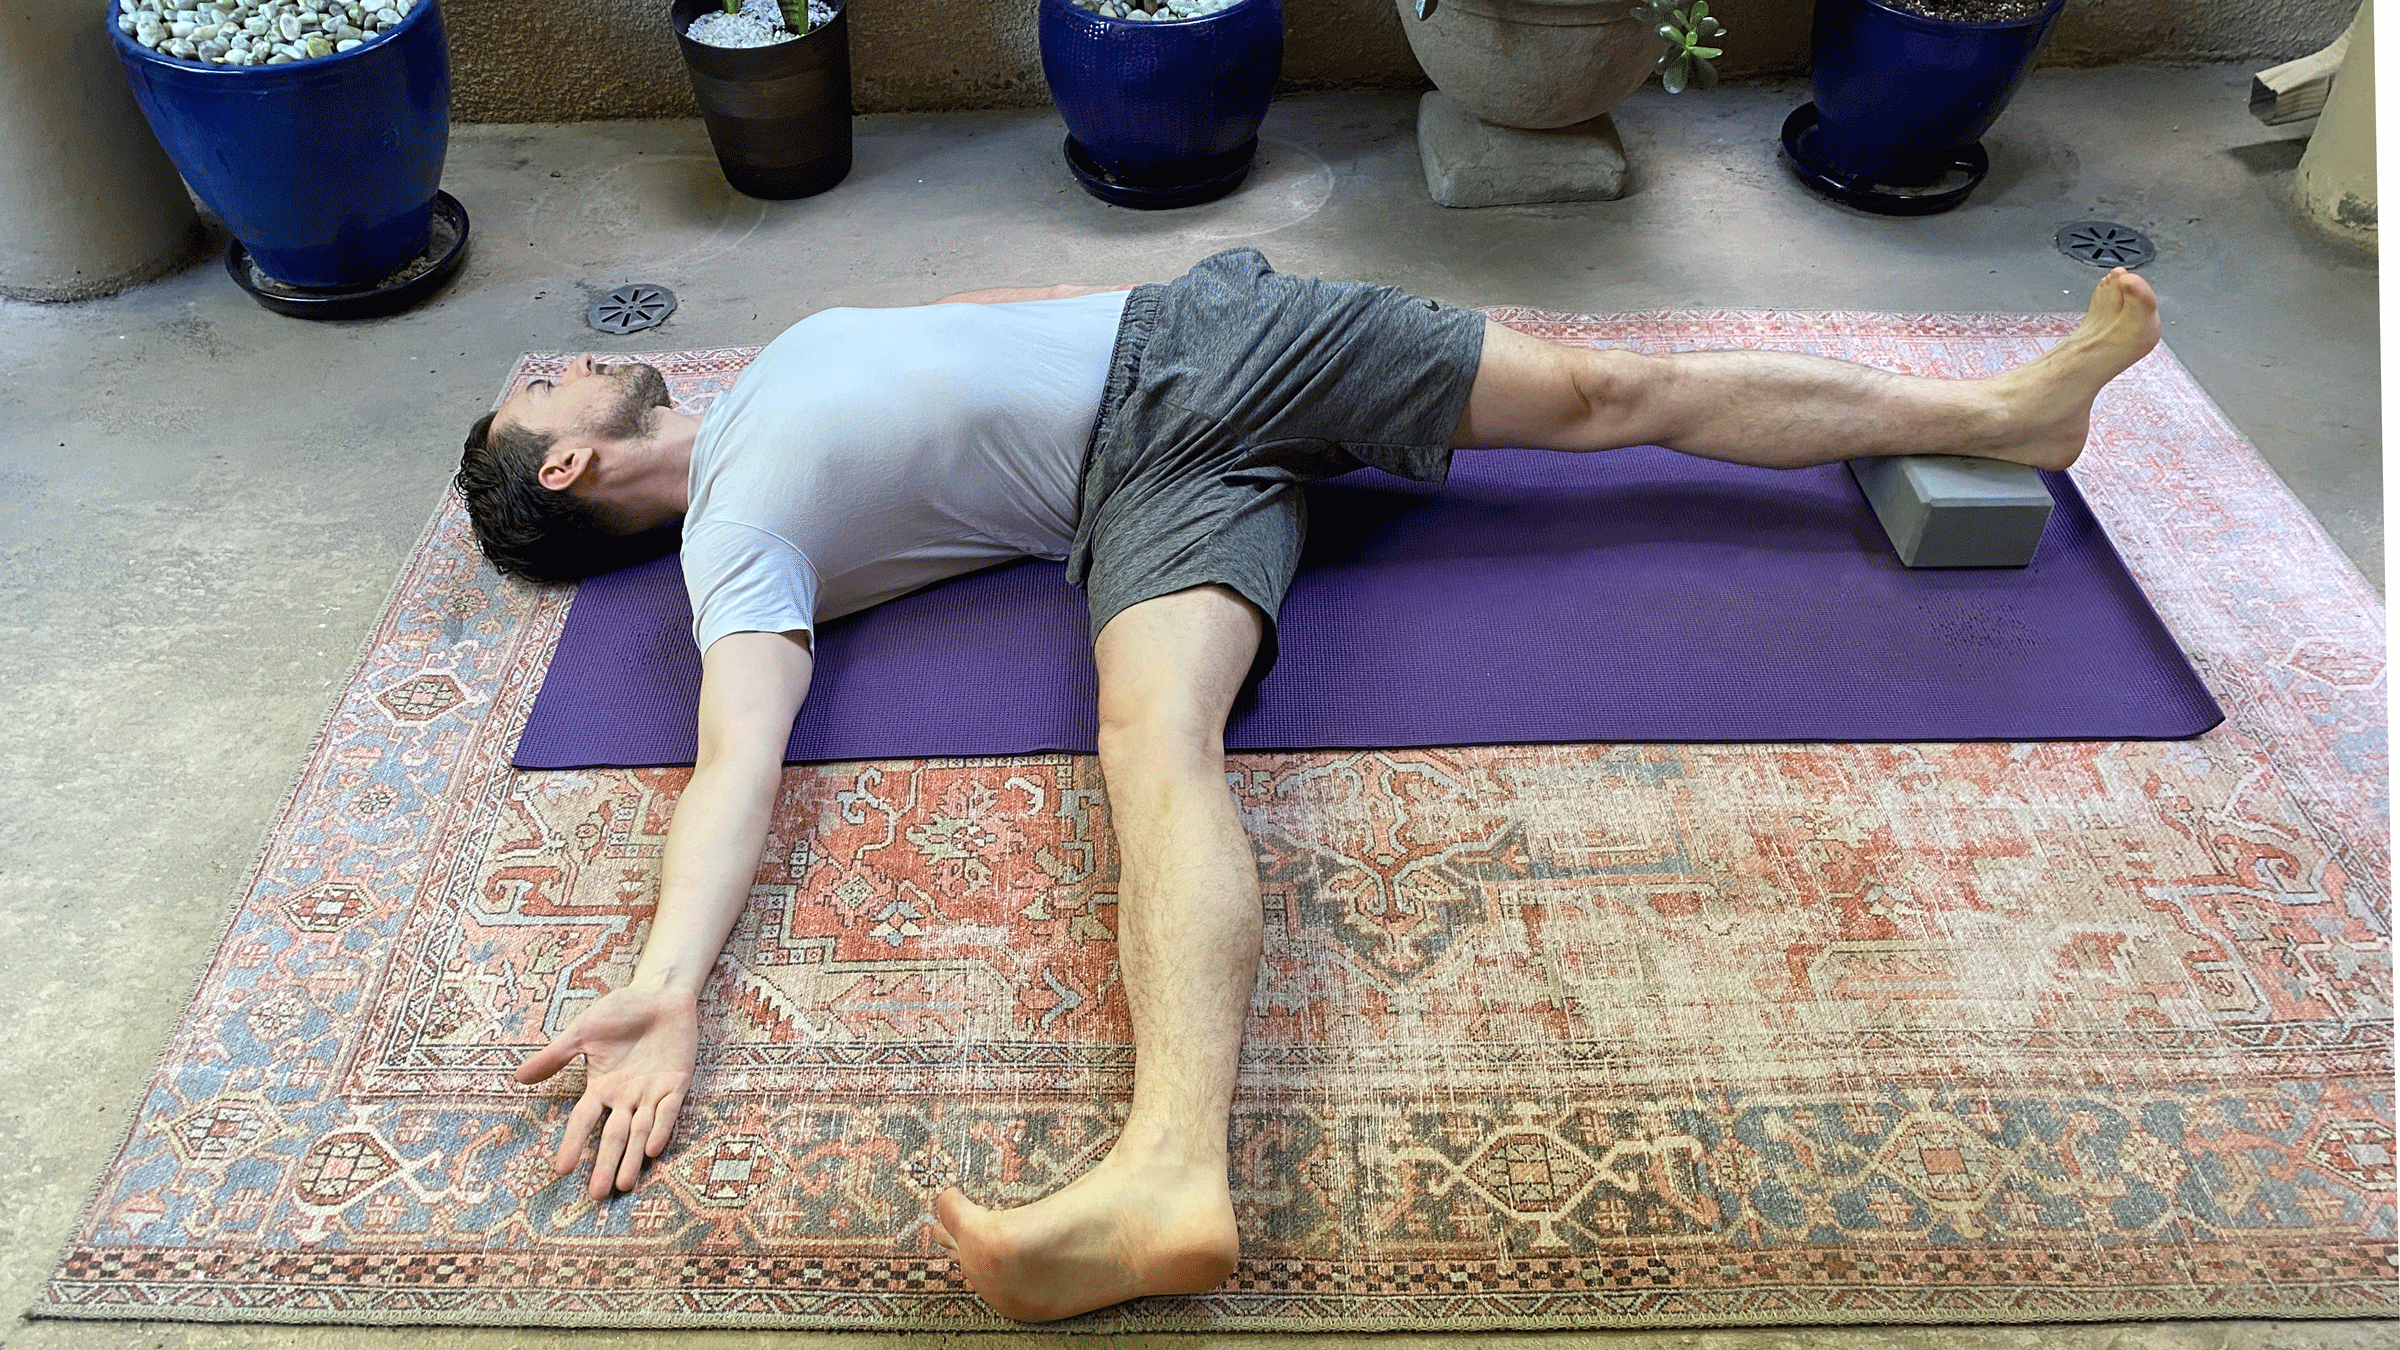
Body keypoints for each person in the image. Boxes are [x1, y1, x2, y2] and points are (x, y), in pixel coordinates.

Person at [458, 247, 2160, 1322]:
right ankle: (1164, 1172)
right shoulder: (740, 546)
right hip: (1148, 489)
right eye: (541, 381)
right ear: (571, 457)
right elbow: (735, 750)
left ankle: (2001, 414)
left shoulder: (773, 406)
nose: (564, 351)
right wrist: (666, 983)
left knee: (1594, 390)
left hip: (1212, 343)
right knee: (1151, 742)